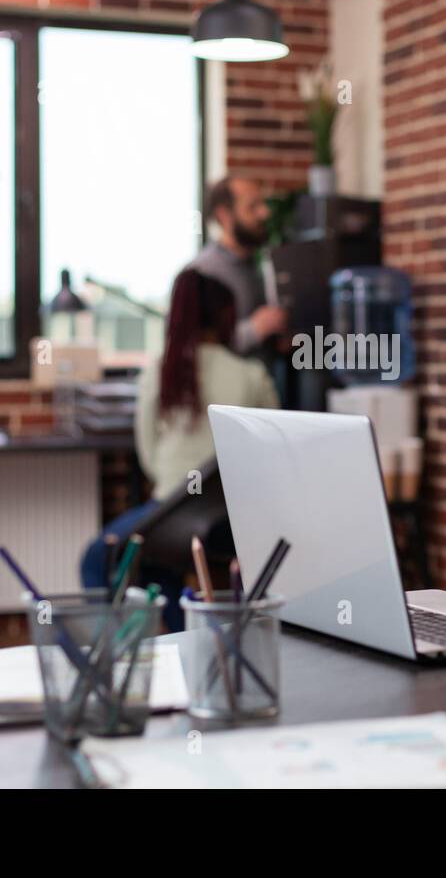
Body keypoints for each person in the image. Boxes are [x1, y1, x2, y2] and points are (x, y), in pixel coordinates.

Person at [79, 268, 280, 628]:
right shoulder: (251, 375)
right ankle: (189, 647)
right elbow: (271, 450)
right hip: (228, 521)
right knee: (161, 560)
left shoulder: (161, 371)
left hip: (168, 514)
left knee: (100, 557)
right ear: (226, 317)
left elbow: (148, 452)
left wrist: (174, 488)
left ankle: (119, 655)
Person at [188, 176, 287, 371]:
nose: (264, 213)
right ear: (224, 215)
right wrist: (254, 330)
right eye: (252, 207)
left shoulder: (262, 265)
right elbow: (191, 345)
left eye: (263, 204)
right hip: (227, 398)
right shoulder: (202, 273)